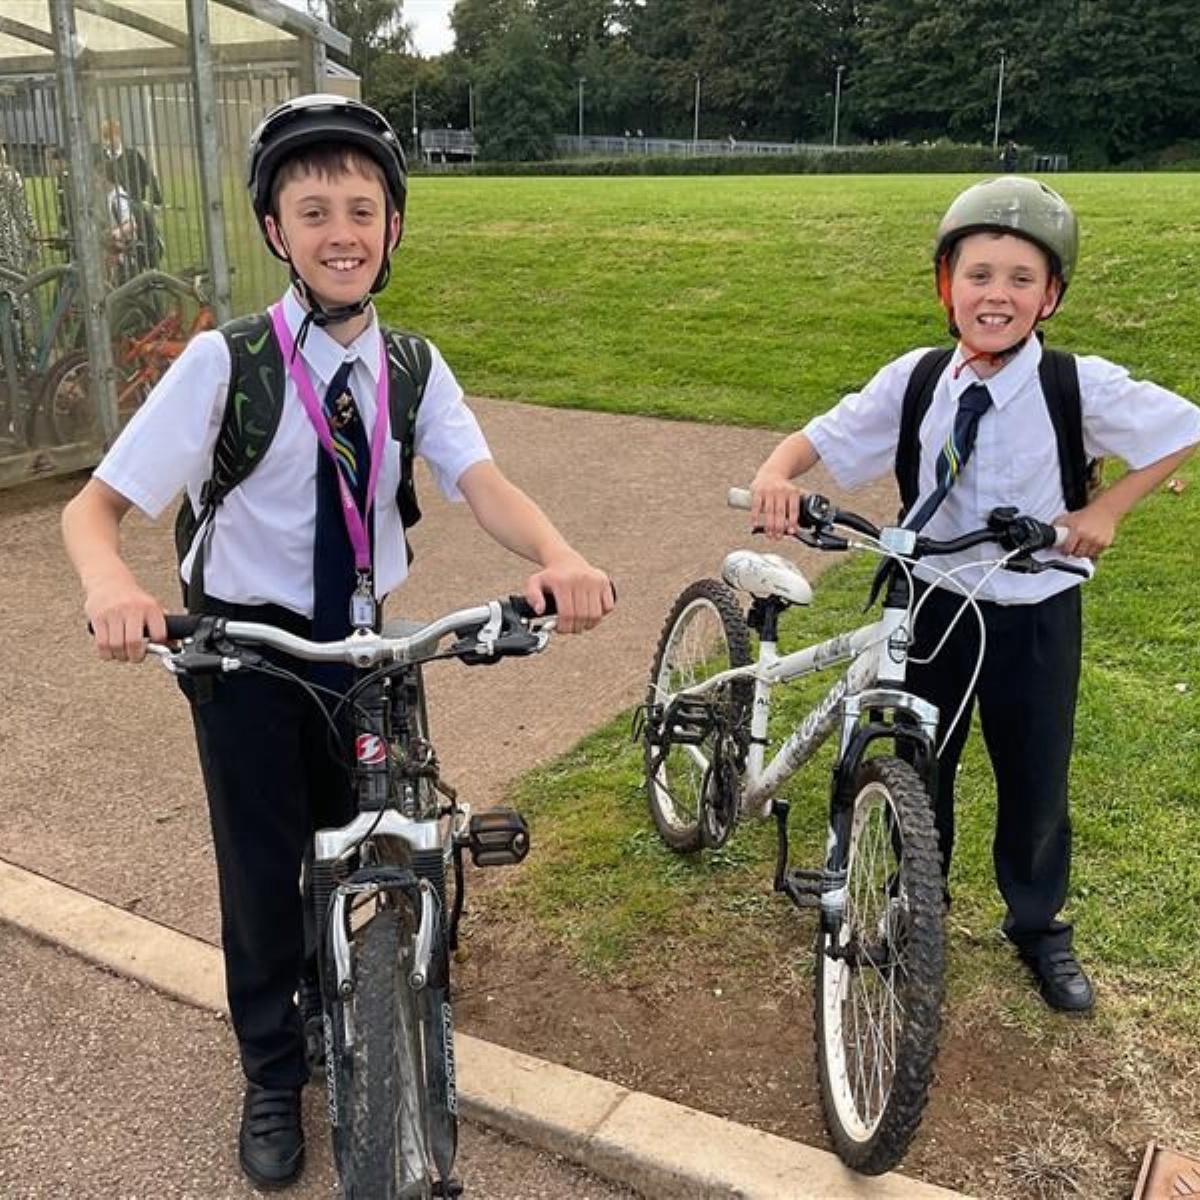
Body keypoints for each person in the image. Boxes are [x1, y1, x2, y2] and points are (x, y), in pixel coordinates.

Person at [62, 93, 615, 1190]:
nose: (340, 231)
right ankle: (273, 1071)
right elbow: (94, 510)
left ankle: (365, 995)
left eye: (361, 208)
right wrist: (113, 588)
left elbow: (479, 481)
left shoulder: (412, 366)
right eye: (313, 210)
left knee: (381, 837)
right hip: (249, 653)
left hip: (366, 644)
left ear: (394, 227)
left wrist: (558, 554)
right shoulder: (228, 363)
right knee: (265, 873)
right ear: (277, 230)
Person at [749, 176, 1199, 1017]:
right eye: (980, 274)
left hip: (1036, 607)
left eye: (1022, 279)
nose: (998, 294)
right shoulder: (917, 380)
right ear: (945, 286)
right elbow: (820, 436)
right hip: (935, 601)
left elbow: (1183, 425)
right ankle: (915, 900)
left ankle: (1037, 925)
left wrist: (1105, 510)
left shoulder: (1075, 384)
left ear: (1051, 295)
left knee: (1035, 773)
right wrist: (777, 471)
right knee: (920, 763)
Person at [101, 118, 163, 271]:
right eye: (106, 137)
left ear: (118, 135)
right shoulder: (102, 158)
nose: (109, 141)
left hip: (134, 208)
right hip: (112, 210)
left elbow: (148, 175)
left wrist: (156, 197)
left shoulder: (132, 155)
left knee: (139, 240)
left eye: (111, 136)